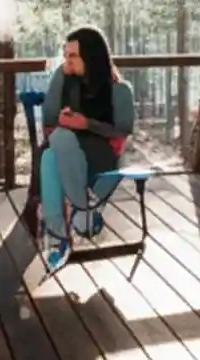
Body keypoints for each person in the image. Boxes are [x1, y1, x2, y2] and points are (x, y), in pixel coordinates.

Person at [36, 26, 135, 270]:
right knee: (52, 153)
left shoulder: (119, 91)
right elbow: (48, 116)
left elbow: (124, 129)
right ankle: (78, 218)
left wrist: (86, 123)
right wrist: (60, 77)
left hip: (100, 156)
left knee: (55, 146)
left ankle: (62, 234)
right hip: (66, 154)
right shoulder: (65, 81)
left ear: (90, 58)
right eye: (65, 54)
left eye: (72, 56)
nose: (66, 60)